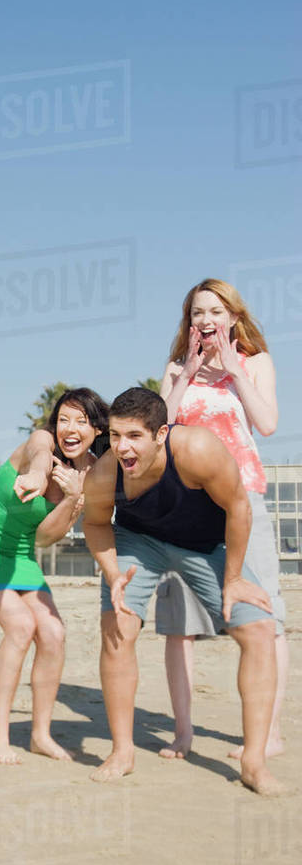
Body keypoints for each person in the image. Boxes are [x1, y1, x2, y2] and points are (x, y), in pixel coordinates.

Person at [82, 387, 281, 796]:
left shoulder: (197, 449)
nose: (122, 447)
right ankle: (122, 752)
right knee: (118, 626)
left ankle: (254, 762)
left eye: (134, 435)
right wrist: (112, 572)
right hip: (139, 541)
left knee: (260, 630)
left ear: (161, 434)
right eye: (116, 436)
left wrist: (233, 579)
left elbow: (239, 506)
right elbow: (96, 524)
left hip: (205, 545)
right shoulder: (105, 472)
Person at [0, 388, 108, 764]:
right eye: (64, 418)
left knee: (53, 632)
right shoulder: (42, 441)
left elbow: (46, 536)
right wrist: (35, 475)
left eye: (81, 420)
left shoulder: (92, 471)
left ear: (97, 429)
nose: (70, 427)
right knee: (20, 626)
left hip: (17, 552)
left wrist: (70, 500)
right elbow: (37, 458)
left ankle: (40, 735)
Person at [157, 279, 286, 760]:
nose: (204, 320)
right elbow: (159, 431)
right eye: (196, 313)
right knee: (179, 624)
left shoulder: (256, 362)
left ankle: (268, 734)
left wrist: (235, 371)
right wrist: (187, 375)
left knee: (265, 617)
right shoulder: (175, 368)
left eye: (214, 310)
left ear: (232, 316)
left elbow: (268, 424)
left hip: (243, 499)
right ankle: (183, 733)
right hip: (183, 506)